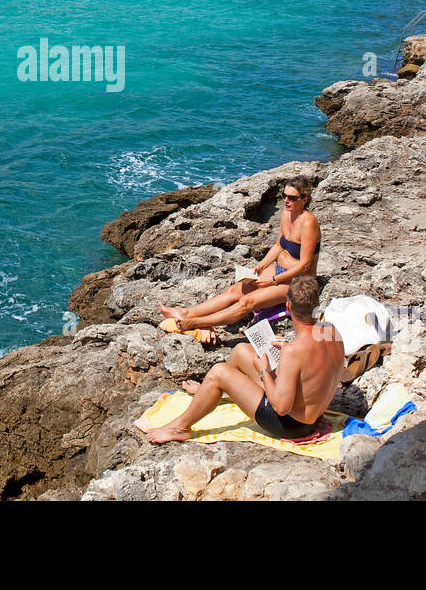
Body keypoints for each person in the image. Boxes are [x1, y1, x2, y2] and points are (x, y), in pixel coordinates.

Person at [145, 276, 344, 443]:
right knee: (241, 350)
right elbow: (316, 358)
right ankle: (213, 393)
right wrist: (288, 348)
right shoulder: (331, 331)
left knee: (218, 372)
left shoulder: (294, 351)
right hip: (315, 414)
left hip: (292, 425)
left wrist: (263, 370)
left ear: (288, 306)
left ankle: (181, 428)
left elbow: (281, 407)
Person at [159, 176, 320, 331]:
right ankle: (185, 313)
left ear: (304, 199)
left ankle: (194, 323)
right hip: (279, 270)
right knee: (233, 291)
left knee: (247, 302)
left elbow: (304, 264)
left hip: (299, 282)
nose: (286, 201)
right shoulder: (287, 214)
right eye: (284, 196)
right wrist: (261, 266)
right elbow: (279, 246)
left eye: (292, 198)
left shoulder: (308, 222)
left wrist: (273, 281)